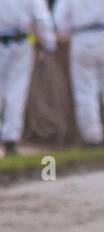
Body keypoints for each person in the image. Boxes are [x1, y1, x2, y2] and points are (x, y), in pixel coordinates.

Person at [52, 0, 104, 145]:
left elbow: (60, 18)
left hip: (81, 36)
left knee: (85, 91)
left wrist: (68, 30)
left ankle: (92, 137)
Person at [0, 0, 56, 156]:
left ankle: (10, 139)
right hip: (20, 42)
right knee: (16, 91)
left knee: (12, 92)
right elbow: (42, 19)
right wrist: (48, 44)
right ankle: (10, 139)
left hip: (18, 41)